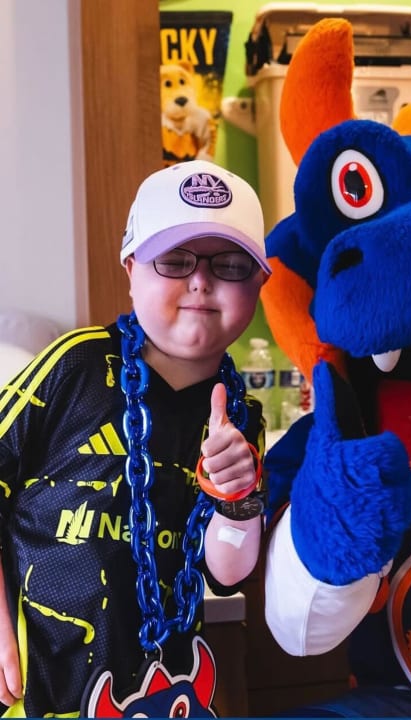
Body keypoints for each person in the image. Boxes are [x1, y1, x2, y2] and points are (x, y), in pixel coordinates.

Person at [0, 160, 269, 716]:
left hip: (165, 693)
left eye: (230, 264)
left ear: (260, 283)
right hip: (35, 687)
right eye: (173, 260)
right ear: (131, 269)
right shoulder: (73, 367)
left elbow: (227, 570)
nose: (200, 280)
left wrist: (235, 496)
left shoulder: (240, 419)